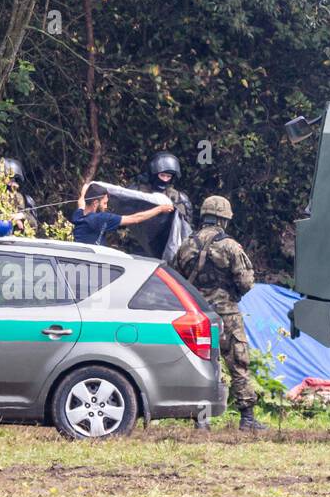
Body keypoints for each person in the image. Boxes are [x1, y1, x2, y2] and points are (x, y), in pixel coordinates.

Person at [173, 195, 266, 432]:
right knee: (238, 364)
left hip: (196, 315)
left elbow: (176, 278)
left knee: (201, 363)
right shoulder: (230, 246)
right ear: (224, 219)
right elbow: (245, 282)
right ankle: (246, 419)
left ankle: (201, 420)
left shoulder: (186, 244)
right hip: (227, 315)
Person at [73, 181, 173, 246]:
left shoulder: (79, 214)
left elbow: (81, 201)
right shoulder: (99, 219)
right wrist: (160, 209)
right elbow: (135, 218)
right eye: (104, 203)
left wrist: (86, 188)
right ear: (95, 203)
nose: (106, 206)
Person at [141, 152, 194, 229]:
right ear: (154, 174)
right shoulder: (138, 192)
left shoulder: (179, 198)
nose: (165, 179)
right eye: (162, 175)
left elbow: (186, 228)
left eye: (168, 176)